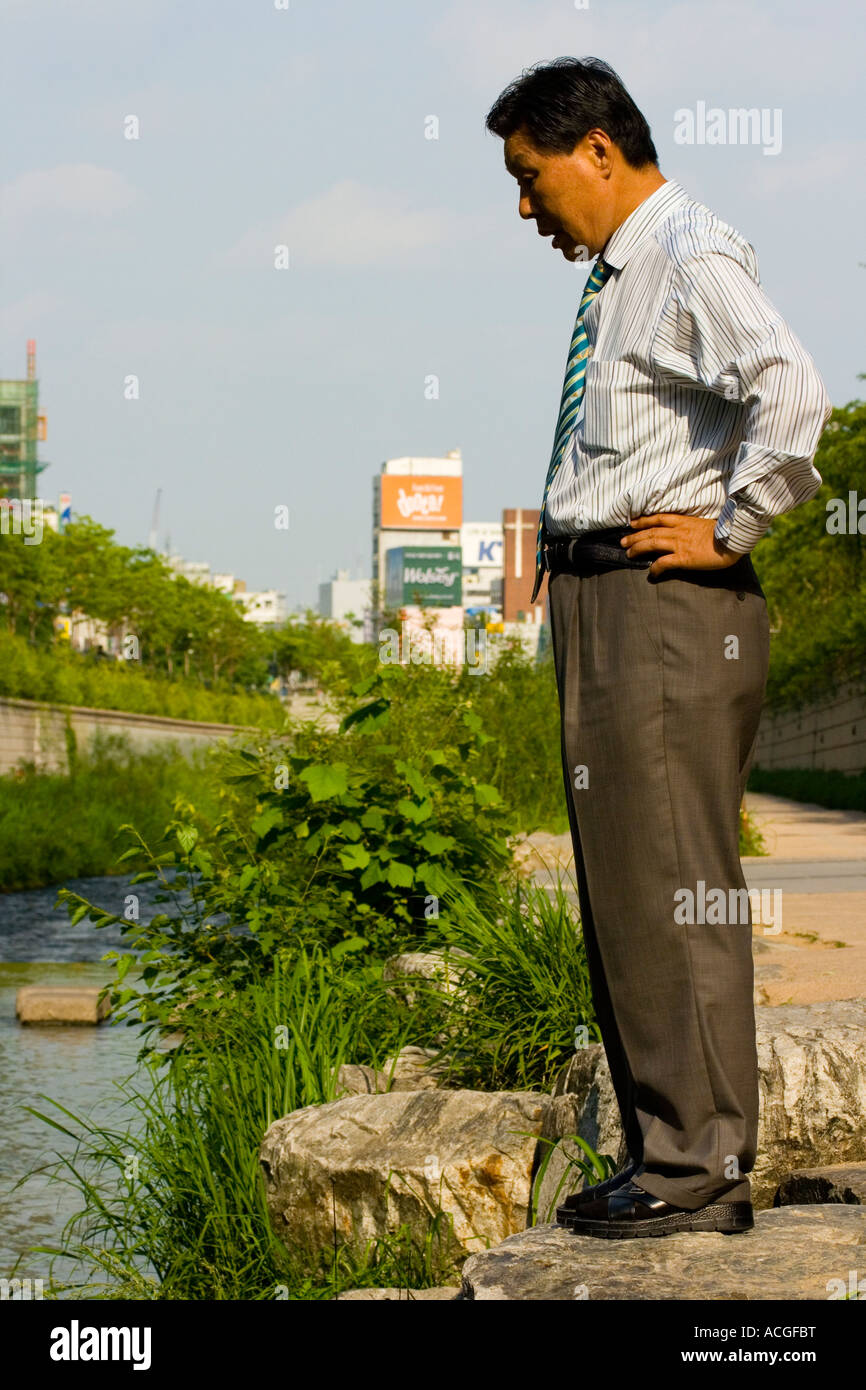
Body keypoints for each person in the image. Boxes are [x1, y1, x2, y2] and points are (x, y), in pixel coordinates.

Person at [485, 57, 831, 1238]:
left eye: (529, 179)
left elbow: (792, 391)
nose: (524, 208)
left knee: (676, 882)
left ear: (594, 149)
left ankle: (698, 1169)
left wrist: (732, 525)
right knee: (629, 889)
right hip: (604, 602)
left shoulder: (682, 250)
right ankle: (667, 1150)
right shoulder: (622, 275)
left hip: (661, 601)